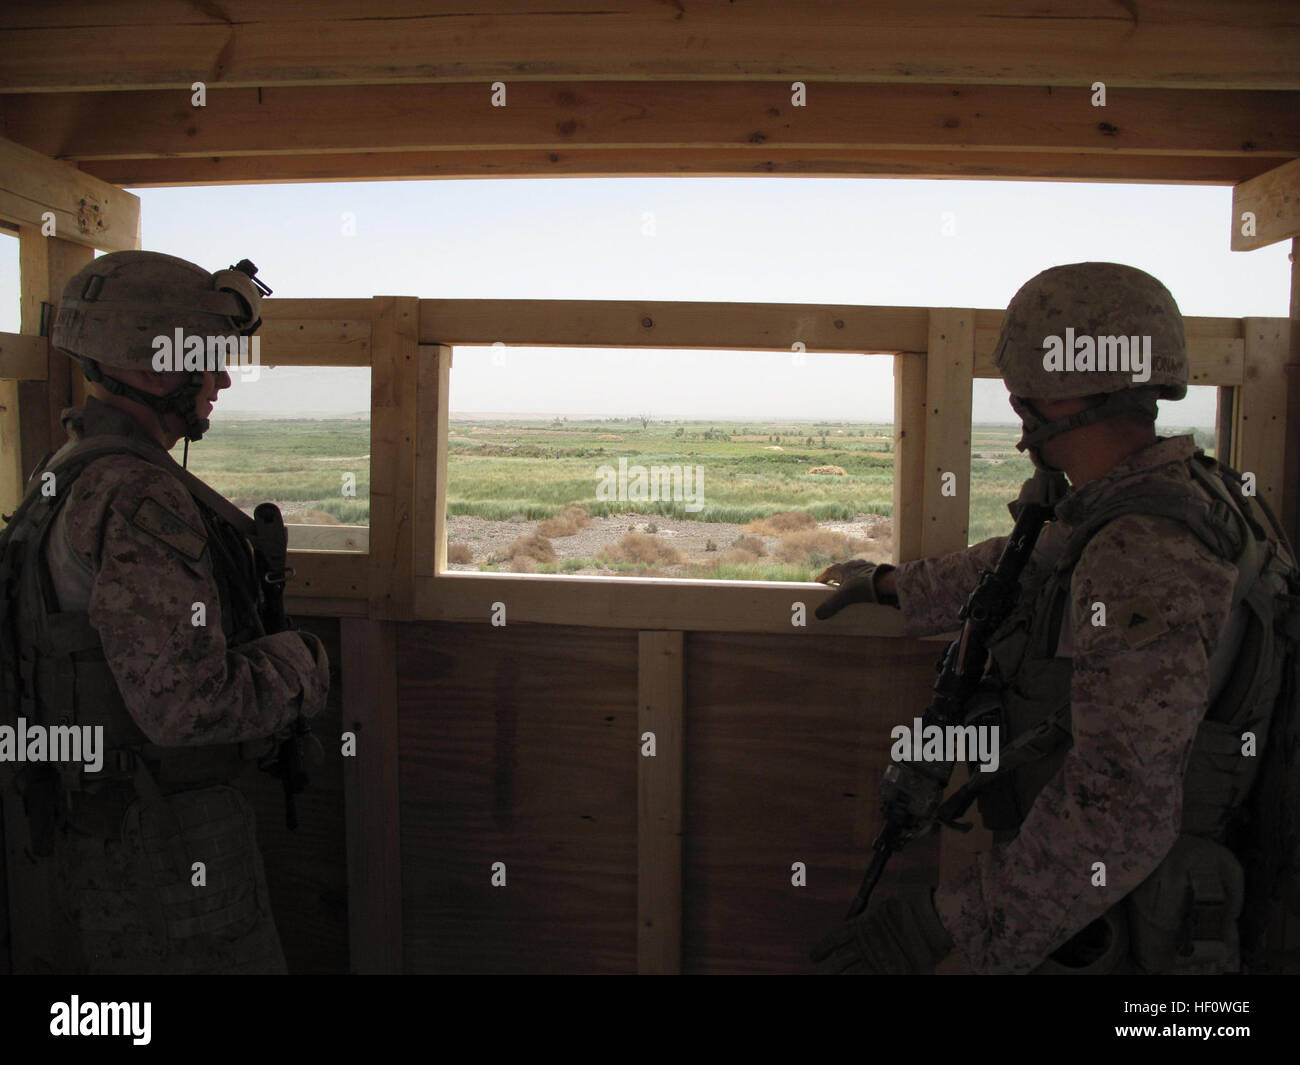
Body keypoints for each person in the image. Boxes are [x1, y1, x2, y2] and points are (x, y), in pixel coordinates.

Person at [809, 261, 1294, 974]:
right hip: (1128, 903)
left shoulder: (1144, 552)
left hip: (1131, 925)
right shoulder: (1172, 494)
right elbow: (1027, 559)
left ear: (1050, 392)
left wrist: (936, 927)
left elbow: (1120, 809)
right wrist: (890, 585)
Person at [0, 250, 329, 974]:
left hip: (95, 824)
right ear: (153, 367)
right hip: (162, 848)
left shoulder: (66, 469)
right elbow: (185, 705)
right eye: (207, 359)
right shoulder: (137, 500)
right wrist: (302, 664)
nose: (221, 379)